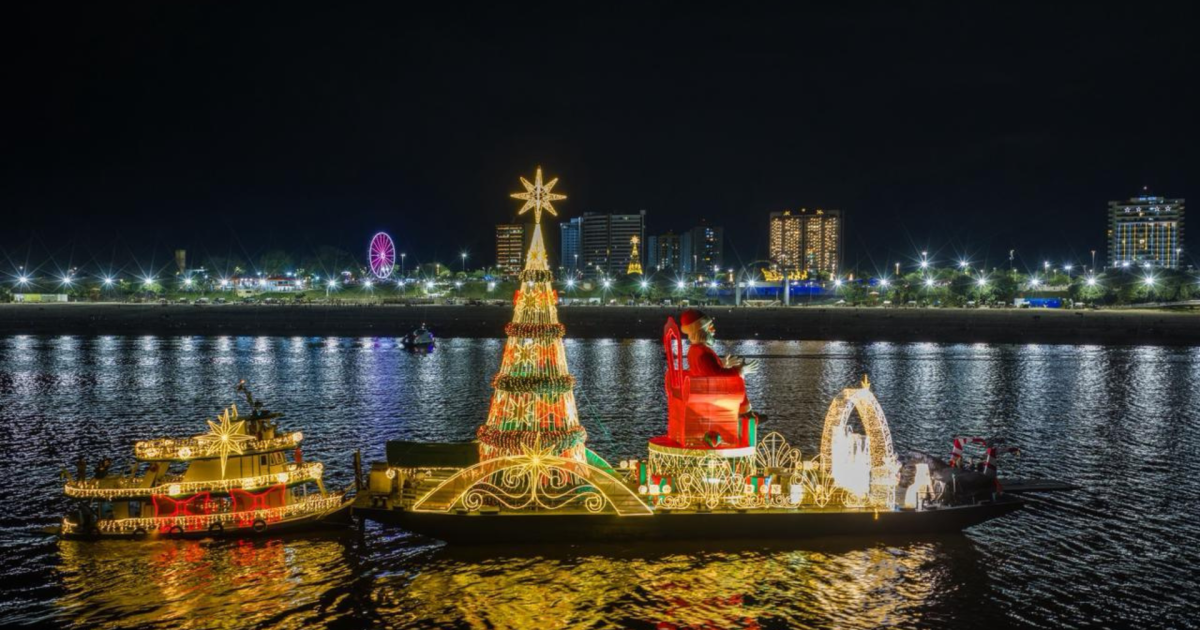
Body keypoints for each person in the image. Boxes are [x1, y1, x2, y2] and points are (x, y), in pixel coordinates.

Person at [679, 308, 758, 414]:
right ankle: (745, 415)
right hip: (711, 392)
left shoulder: (694, 350)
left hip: (705, 388)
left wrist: (723, 364)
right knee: (737, 384)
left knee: (736, 381)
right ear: (701, 331)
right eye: (710, 327)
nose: (713, 330)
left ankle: (747, 414)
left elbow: (708, 371)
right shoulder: (703, 353)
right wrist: (739, 370)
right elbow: (716, 376)